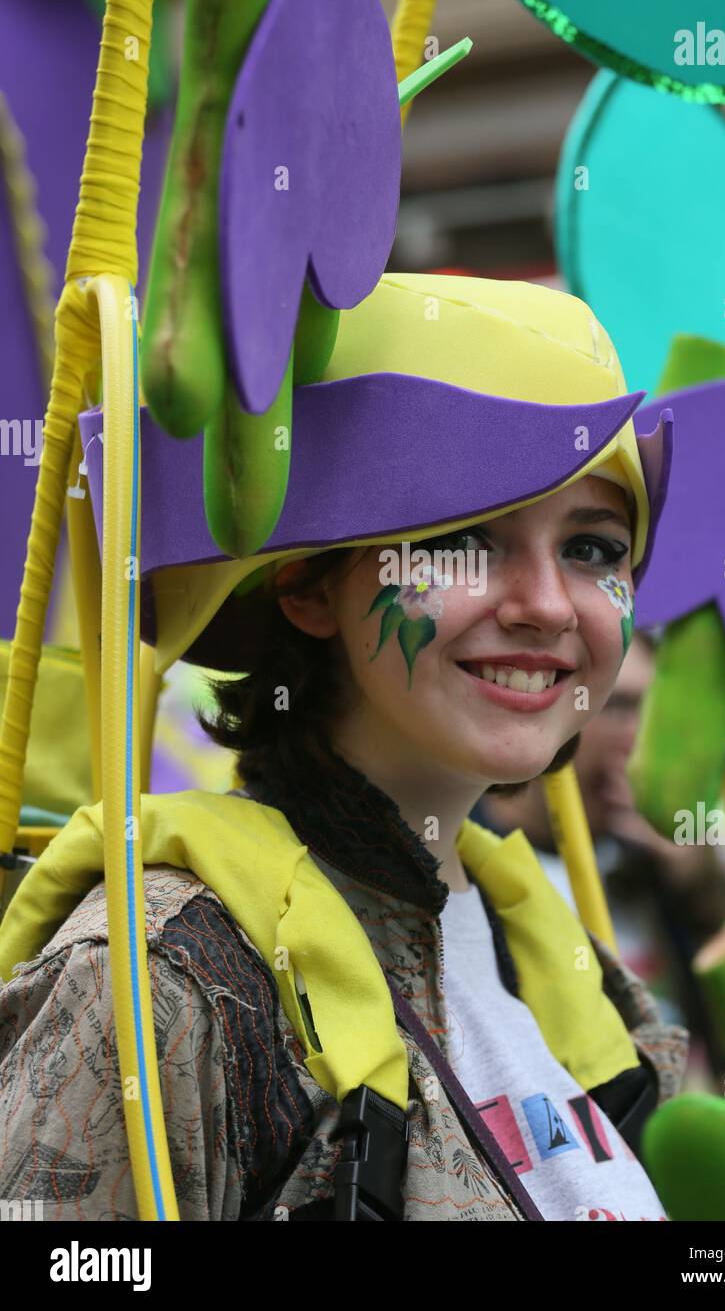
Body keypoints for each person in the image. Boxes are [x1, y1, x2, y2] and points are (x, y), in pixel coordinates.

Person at [0, 274, 686, 1221]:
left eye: (595, 548)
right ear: (307, 590)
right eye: (461, 539)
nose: (546, 604)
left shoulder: (567, 962)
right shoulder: (161, 977)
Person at [474, 631, 725, 1040]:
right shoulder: (468, 857)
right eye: (619, 707)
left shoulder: (657, 853)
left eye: (655, 713)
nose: (643, 737)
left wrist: (699, 886)